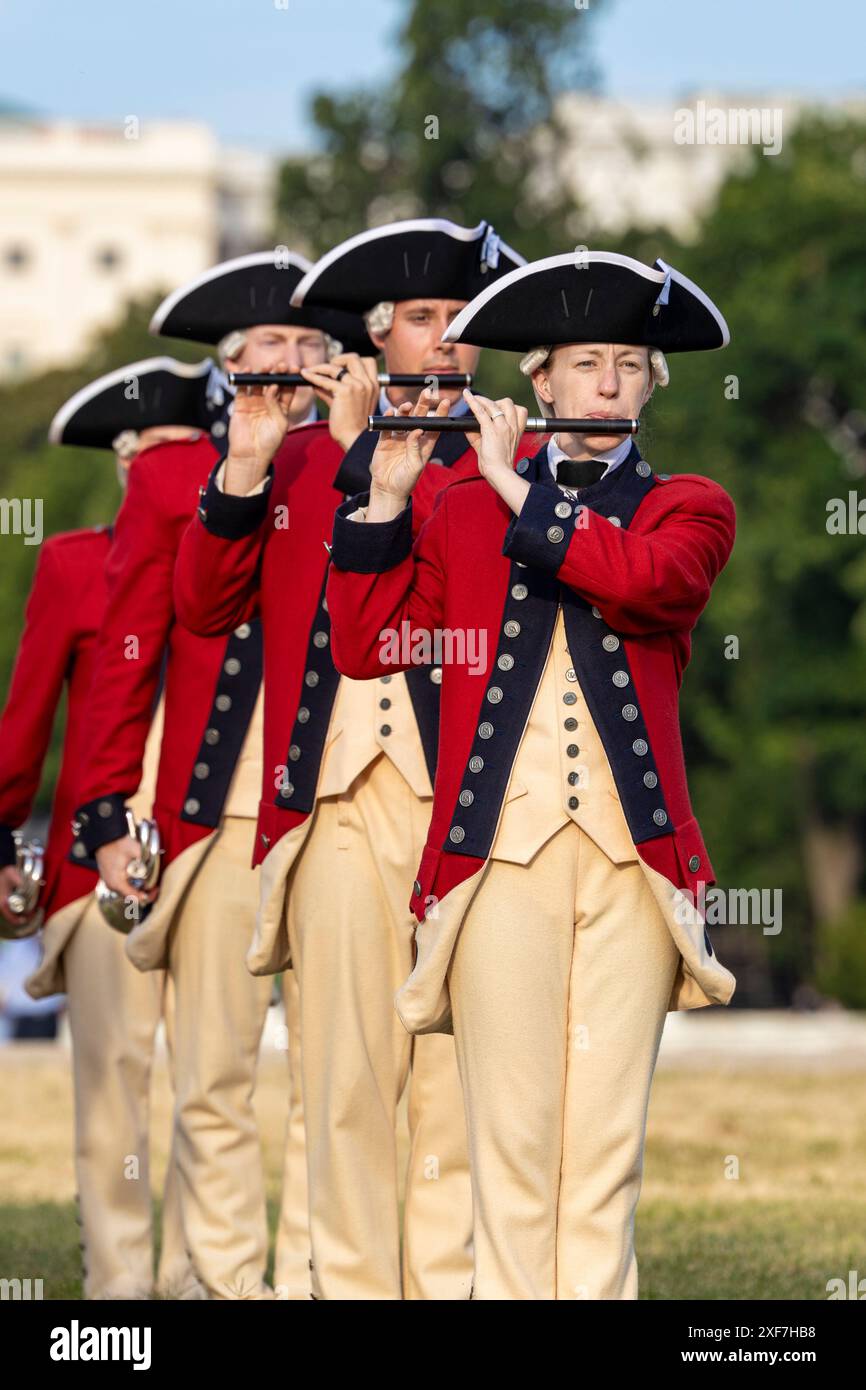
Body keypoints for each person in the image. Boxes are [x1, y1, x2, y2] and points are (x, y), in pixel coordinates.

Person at [325, 250, 739, 1300]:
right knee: (509, 1150)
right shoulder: (456, 505)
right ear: (539, 382)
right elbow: (372, 644)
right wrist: (380, 498)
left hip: (631, 864)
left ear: (650, 387)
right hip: (494, 861)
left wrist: (513, 488)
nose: (606, 384)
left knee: (601, 1157)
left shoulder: (685, 506)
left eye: (628, 365)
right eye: (583, 363)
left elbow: (646, 586)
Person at [174, 218, 527, 1300]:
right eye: (424, 319)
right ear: (375, 337)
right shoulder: (301, 457)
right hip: (330, 805)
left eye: (463, 323)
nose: (448, 342)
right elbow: (201, 603)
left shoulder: (509, 469)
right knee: (342, 1084)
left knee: (456, 1094)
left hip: (464, 807)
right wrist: (247, 457)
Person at [70, 252, 368, 1300]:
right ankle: (224, 1287)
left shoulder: (373, 457)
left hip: (349, 798)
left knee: (341, 1077)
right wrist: (107, 806)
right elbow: (126, 648)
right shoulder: (171, 476)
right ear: (228, 365)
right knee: (216, 1078)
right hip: (222, 808)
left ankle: (322, 1280)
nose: (292, 364)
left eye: (309, 345)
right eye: (270, 348)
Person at [0, 356, 223, 1298]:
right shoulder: (73, 563)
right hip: (98, 868)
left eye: (191, 457)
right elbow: (26, 721)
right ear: (128, 463)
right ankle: (120, 1288)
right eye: (157, 456)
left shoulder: (240, 561)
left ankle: (200, 1277)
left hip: (212, 847)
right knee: (113, 1092)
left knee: (215, 1084)